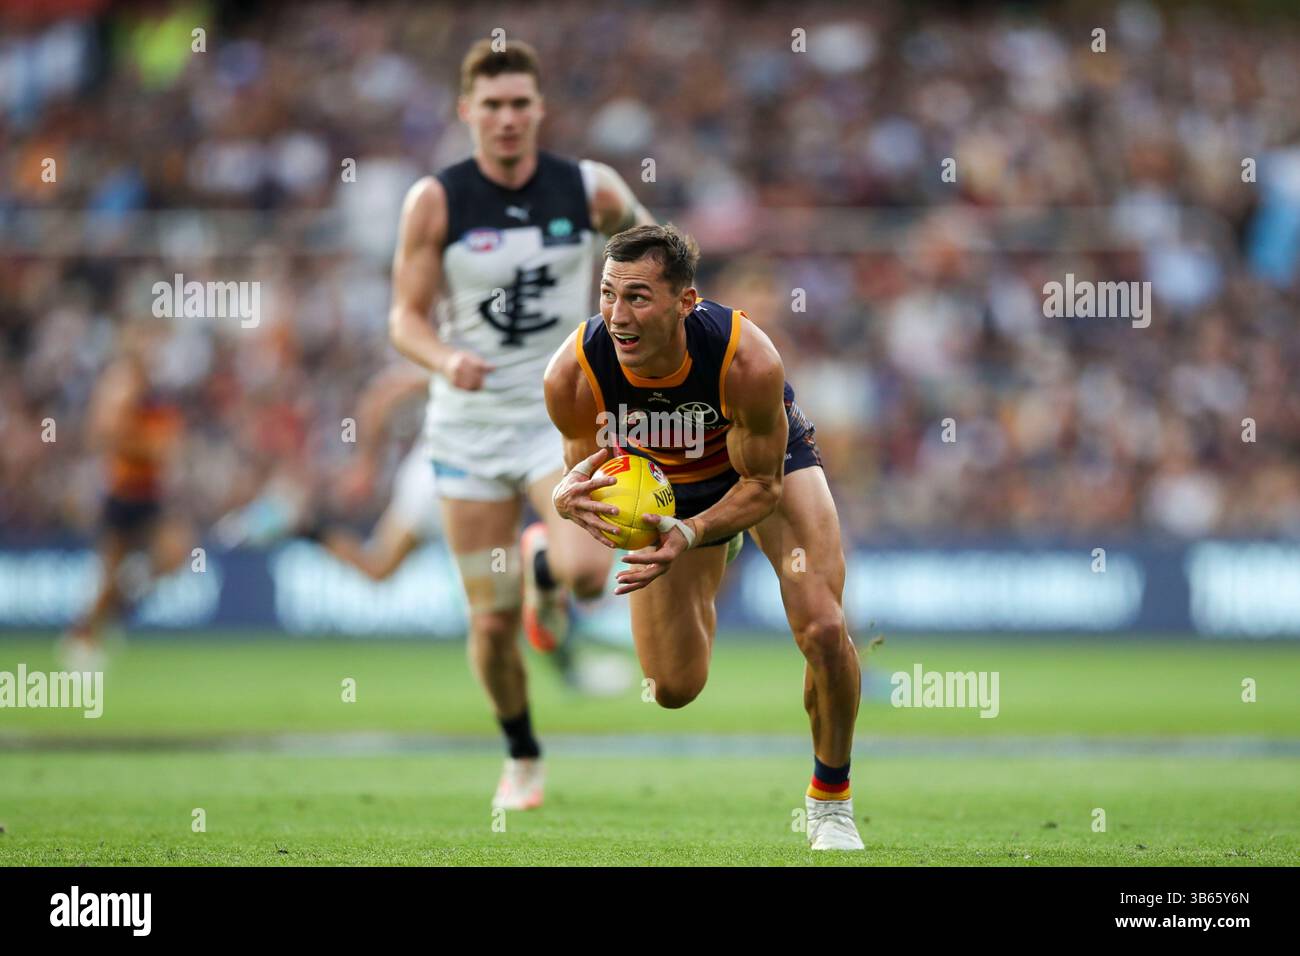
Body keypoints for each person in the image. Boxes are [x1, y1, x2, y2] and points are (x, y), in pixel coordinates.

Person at [387, 38, 656, 810]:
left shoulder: (590, 189)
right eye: (492, 106)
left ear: (540, 110)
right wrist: (442, 358)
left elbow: (657, 258)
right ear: (467, 112)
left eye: (519, 105)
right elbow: (402, 317)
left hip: (557, 415)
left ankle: (547, 569)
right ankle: (522, 755)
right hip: (467, 429)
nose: (506, 119)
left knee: (586, 574)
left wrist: (644, 336)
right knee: (491, 622)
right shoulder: (436, 200)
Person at [544, 224, 865, 850]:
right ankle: (713, 552)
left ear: (685, 302)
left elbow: (764, 488)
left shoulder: (747, 361)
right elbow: (587, 479)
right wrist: (563, 498)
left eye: (637, 297)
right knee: (672, 689)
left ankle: (831, 800)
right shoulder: (573, 375)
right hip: (665, 494)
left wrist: (692, 534)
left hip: (762, 476)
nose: (617, 314)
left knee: (824, 628)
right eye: (608, 294)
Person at [62, 322, 192, 670]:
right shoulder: (122, 385)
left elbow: (171, 435)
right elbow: (102, 435)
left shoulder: (156, 388)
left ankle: (123, 599)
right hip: (124, 491)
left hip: (152, 491)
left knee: (175, 555)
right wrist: (149, 448)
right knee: (109, 572)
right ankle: (80, 637)